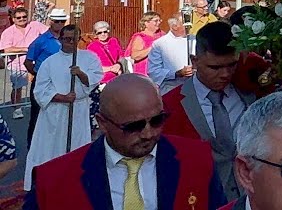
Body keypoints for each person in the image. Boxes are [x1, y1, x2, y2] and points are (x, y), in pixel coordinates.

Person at [24, 73, 226, 209]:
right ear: (102, 123)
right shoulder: (53, 180)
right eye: (133, 126)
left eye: (157, 120)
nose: (148, 134)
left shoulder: (197, 159)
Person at [162, 22, 256, 203]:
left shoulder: (251, 92)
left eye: (232, 65)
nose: (225, 74)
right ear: (194, 61)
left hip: (251, 197)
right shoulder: (170, 106)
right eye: (215, 67)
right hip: (198, 199)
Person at [24, 23, 104, 190]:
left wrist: (81, 74)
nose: (70, 42)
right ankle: (50, 180)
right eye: (66, 39)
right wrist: (62, 97)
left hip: (79, 110)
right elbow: (41, 90)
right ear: (60, 39)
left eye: (74, 39)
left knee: (77, 145)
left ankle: (75, 180)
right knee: (52, 148)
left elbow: (95, 78)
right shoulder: (49, 62)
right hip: (55, 113)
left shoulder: (89, 58)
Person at [22, 9, 67, 144]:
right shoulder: (41, 41)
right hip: (43, 83)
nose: (60, 24)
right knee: (37, 117)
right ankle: (32, 149)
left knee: (57, 117)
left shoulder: (66, 40)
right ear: (51, 21)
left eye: (62, 21)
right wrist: (39, 74)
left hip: (61, 83)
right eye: (57, 21)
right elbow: (28, 62)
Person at [1, 6, 47, 115]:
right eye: (18, 18)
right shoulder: (8, 32)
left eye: (24, 17)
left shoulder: (35, 25)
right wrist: (27, 48)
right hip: (17, 64)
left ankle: (40, 106)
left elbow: (49, 33)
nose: (22, 19)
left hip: (36, 62)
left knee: (41, 84)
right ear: (13, 19)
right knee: (18, 87)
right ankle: (17, 108)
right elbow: (6, 49)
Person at [148, 15, 194, 94]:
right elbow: (154, 71)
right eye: (185, 24)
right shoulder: (160, 44)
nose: (189, 26)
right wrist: (176, 73)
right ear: (174, 26)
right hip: (170, 89)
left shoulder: (196, 40)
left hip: (194, 89)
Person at [127, 11, 165, 77]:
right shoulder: (140, 37)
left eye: (159, 20)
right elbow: (135, 56)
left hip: (160, 73)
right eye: (156, 21)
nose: (159, 23)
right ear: (146, 23)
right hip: (144, 74)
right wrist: (153, 48)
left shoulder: (162, 34)